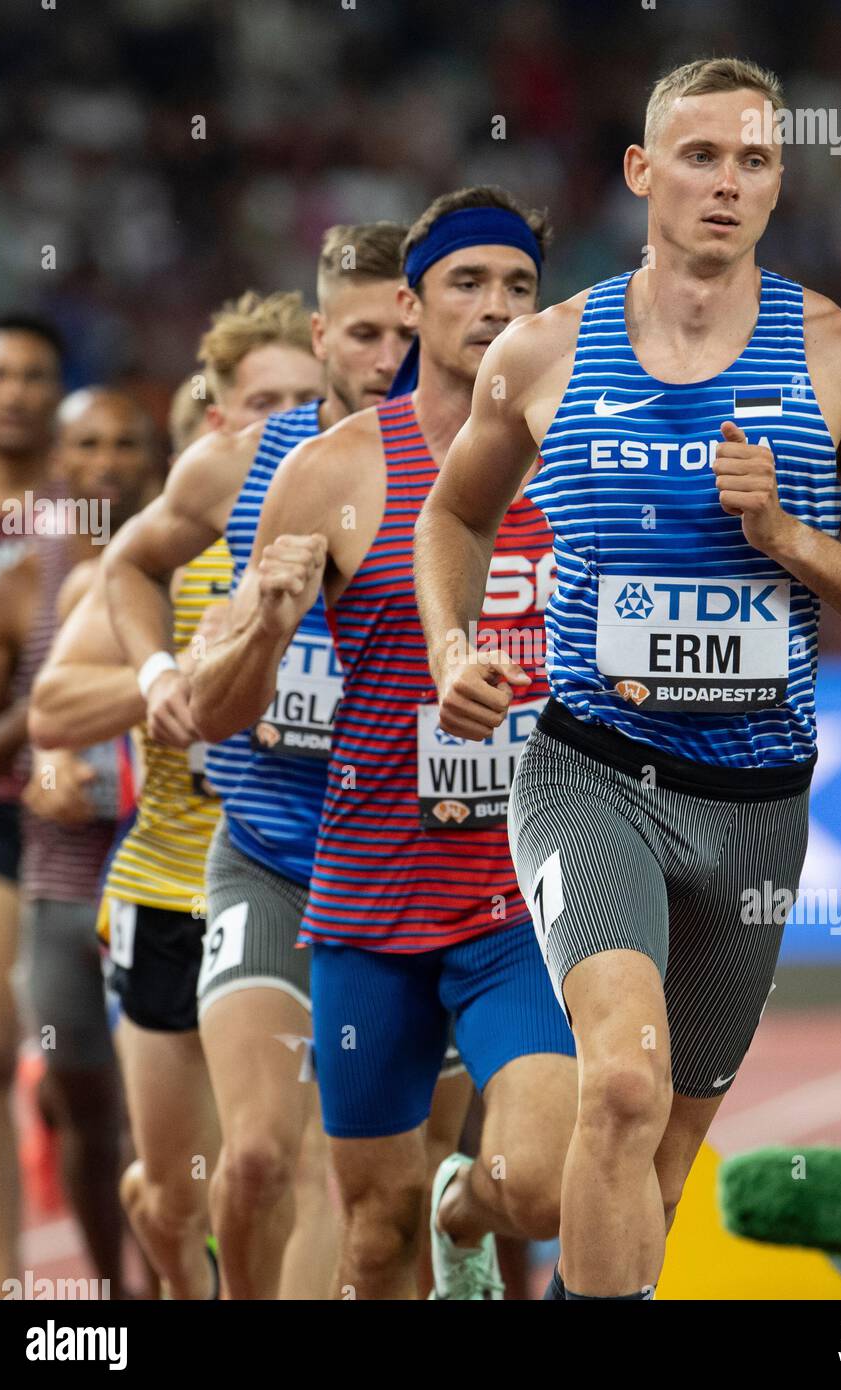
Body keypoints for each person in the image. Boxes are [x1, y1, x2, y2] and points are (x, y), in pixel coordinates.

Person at [413, 58, 841, 1300]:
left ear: (778, 184)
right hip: (590, 772)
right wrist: (454, 647)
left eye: (754, 161)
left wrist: (793, 542)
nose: (727, 183)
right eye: (701, 157)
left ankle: (503, 1246)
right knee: (617, 1081)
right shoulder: (542, 353)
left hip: (759, 805)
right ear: (642, 172)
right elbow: (454, 517)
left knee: (657, 1163)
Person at [191, 187, 579, 1300]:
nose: (497, 307)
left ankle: (468, 1204)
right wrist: (263, 626)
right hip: (370, 901)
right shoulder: (332, 473)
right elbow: (221, 711)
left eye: (519, 285)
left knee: (538, 1183)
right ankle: (428, 1213)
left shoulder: (577, 459)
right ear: (414, 306)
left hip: (523, 898)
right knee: (371, 1231)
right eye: (468, 283)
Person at [101, 225, 430, 1298]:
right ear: (326, 334)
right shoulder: (242, 465)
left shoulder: (482, 467)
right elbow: (129, 562)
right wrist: (157, 678)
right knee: (250, 1157)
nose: (390, 356)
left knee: (397, 1186)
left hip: (424, 870)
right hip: (273, 856)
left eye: (408, 330)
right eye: (367, 333)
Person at [31, 290, 332, 1298]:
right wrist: (176, 679)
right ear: (218, 418)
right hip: (173, 897)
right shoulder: (169, 556)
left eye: (310, 397)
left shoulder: (365, 537)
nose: (292, 422)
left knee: (294, 1165)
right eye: (266, 402)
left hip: (312, 892)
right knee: (176, 1194)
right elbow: (54, 709)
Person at [12, 388, 159, 1297]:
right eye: (88, 446)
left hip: (159, 874)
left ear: (152, 459)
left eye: (125, 444)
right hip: (61, 878)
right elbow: (12, 708)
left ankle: (177, 1280)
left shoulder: (180, 561)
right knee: (81, 1108)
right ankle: (105, 1296)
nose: (107, 462)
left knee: (161, 1122)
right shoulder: (23, 578)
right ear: (61, 462)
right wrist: (39, 764)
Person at [0, 314, 64, 1294]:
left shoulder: (86, 510)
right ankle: (0, 1281)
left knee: (90, 1059)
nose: (13, 391)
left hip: (107, 813)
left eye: (34, 375)